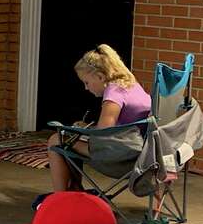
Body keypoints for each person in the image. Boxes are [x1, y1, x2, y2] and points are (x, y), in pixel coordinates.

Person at [45, 44, 152, 197]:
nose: (86, 88)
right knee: (70, 139)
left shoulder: (113, 94)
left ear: (101, 76)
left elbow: (103, 134)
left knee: (56, 139)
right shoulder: (131, 84)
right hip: (142, 151)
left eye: (87, 82)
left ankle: (60, 199)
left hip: (123, 156)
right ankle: (74, 190)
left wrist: (80, 131)